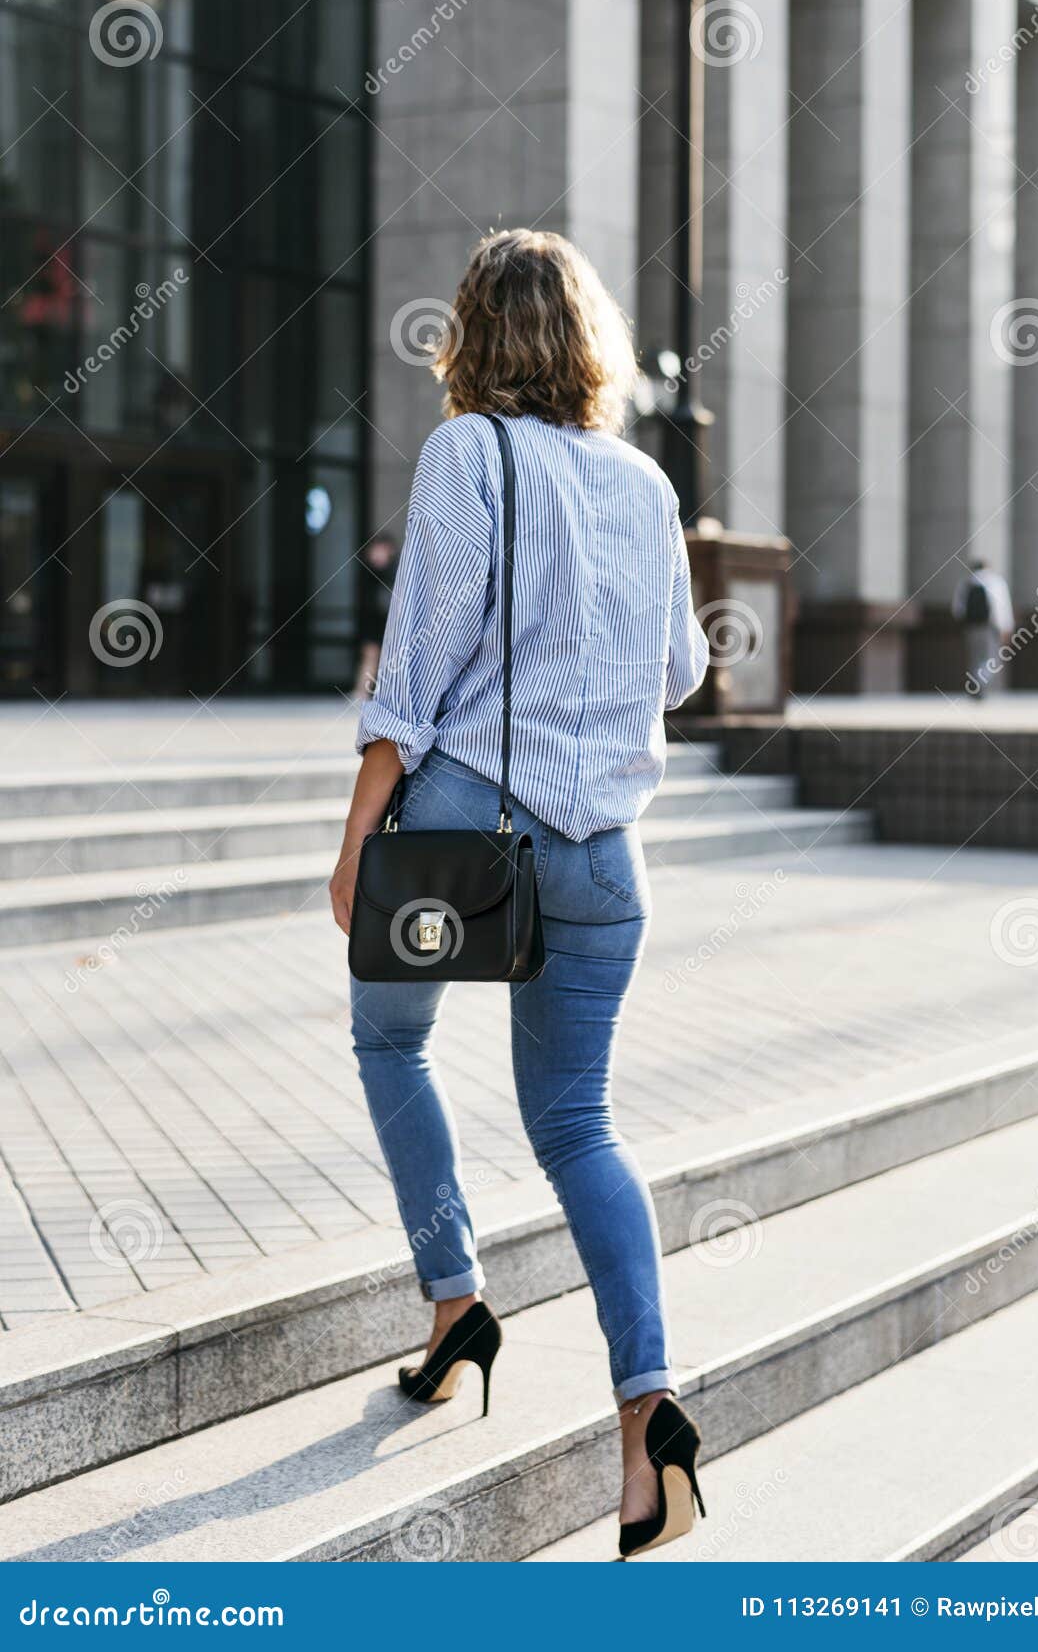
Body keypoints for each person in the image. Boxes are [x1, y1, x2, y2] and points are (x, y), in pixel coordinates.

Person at [328, 229, 710, 1560]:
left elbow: (414, 670)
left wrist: (355, 836)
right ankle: (647, 1410)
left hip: (464, 827)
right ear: (590, 341)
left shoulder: (467, 452)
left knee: (390, 1041)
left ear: (471, 335)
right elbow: (680, 671)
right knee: (577, 1123)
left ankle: (455, 1298)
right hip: (603, 854)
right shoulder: (645, 482)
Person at [952, 559, 1014, 695]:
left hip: (970, 626)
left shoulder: (965, 583)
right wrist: (1005, 626)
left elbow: (958, 609)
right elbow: (1001, 607)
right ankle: (979, 682)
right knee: (990, 658)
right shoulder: (995, 582)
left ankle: (975, 682)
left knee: (974, 657)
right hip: (988, 627)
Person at [353, 532, 398, 700]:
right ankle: (361, 692)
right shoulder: (366, 571)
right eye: (375, 550)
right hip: (373, 620)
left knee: (394, 658)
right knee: (370, 655)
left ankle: (390, 695)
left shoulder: (397, 571)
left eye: (382, 550)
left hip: (391, 620)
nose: (378, 555)